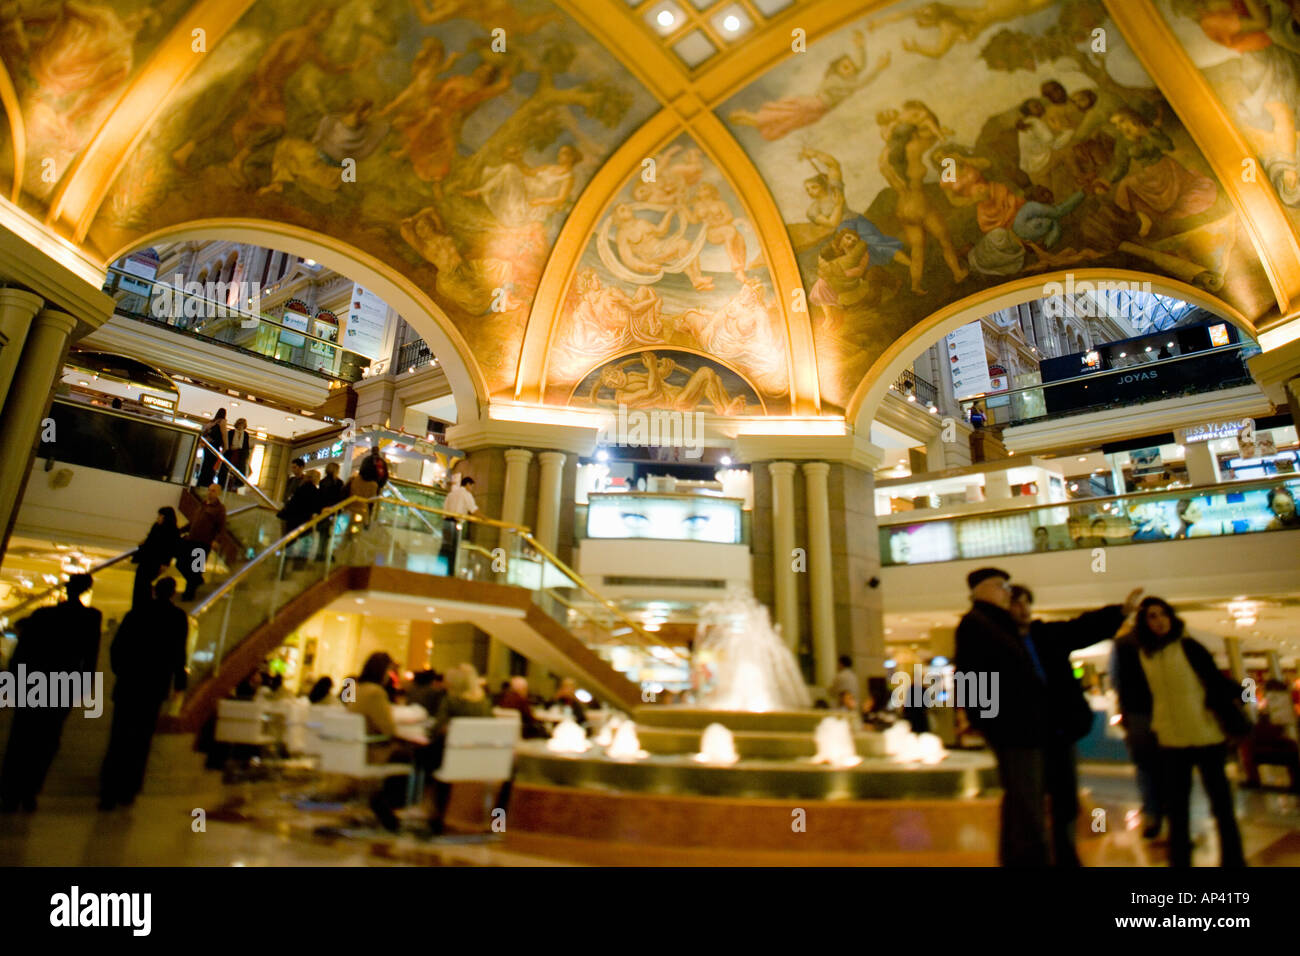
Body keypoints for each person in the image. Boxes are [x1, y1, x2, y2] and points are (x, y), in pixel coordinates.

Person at [1008, 583, 1142, 866]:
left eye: (1026, 603)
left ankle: (1066, 857)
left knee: (1065, 801)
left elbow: (1082, 628)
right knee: (1029, 807)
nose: (1023, 610)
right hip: (1025, 736)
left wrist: (1120, 612)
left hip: (1059, 732)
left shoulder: (1044, 635)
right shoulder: (999, 643)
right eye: (1015, 604)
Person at [1112, 597, 1247, 867]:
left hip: (1205, 734)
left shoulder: (1188, 646)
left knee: (1221, 804)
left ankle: (1234, 860)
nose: (1159, 620)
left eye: (1163, 614)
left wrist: (1244, 697)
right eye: (1152, 616)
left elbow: (1215, 681)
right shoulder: (1145, 654)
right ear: (1144, 622)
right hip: (1171, 738)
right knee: (1177, 807)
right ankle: (1180, 859)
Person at [954, 567, 1050, 866]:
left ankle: (1017, 859)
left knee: (1022, 802)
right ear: (980, 590)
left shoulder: (996, 623)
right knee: (1026, 804)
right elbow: (969, 676)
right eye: (1001, 585)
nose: (1007, 591)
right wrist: (984, 721)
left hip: (1019, 725)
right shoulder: (976, 623)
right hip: (1013, 727)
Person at [0, 574, 102, 812]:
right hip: (63, 685)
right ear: (86, 590)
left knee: (21, 738)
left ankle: (9, 791)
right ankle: (30, 791)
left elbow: (22, 652)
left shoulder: (42, 615)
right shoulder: (89, 618)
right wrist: (83, 688)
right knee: (46, 740)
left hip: (34, 684)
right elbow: (90, 657)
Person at [98, 577, 188, 810]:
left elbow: (117, 646)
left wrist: (122, 670)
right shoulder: (177, 618)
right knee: (141, 739)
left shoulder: (136, 614)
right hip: (154, 685)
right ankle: (129, 789)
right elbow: (179, 653)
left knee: (119, 736)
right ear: (172, 593)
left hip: (130, 682)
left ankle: (109, 790)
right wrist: (179, 680)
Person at [346, 652, 418, 832]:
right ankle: (392, 804)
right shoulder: (376, 693)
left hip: (356, 748)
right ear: (383, 671)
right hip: (373, 750)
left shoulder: (357, 688)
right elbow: (388, 729)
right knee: (415, 756)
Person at [428, 663, 496, 834]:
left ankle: (433, 815)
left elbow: (438, 728)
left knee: (423, 757)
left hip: (452, 762)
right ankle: (496, 825)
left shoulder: (451, 701)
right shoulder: (485, 703)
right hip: (482, 762)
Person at [1110, 626, 1164, 839]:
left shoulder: (1122, 646)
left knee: (1146, 766)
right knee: (1163, 765)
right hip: (1154, 711)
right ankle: (1162, 815)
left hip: (1137, 712)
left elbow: (1116, 681)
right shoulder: (1162, 642)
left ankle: (1153, 815)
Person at [179, 484, 227, 601]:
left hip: (203, 543)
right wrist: (181, 530)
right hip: (191, 540)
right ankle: (197, 581)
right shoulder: (203, 505)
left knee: (195, 568)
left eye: (213, 491)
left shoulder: (220, 509)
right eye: (209, 490)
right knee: (181, 563)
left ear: (218, 493)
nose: (210, 493)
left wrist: (216, 540)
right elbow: (193, 521)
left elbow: (221, 527)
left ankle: (189, 594)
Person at [131, 507, 180, 610]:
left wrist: (165, 563)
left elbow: (170, 549)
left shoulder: (171, 531)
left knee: (143, 584)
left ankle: (141, 606)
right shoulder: (158, 527)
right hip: (148, 559)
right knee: (141, 584)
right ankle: (139, 606)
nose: (158, 518)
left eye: (160, 516)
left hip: (155, 561)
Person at [442, 475, 478, 569]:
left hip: (446, 521)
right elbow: (473, 510)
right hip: (456, 523)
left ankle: (441, 569)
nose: (471, 489)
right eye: (471, 486)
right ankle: (450, 571)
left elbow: (444, 508)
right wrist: (485, 519)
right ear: (467, 484)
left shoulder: (452, 493)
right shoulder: (466, 494)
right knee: (453, 548)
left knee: (445, 546)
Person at [314, 461, 346, 560]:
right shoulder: (338, 483)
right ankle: (327, 553)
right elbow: (340, 498)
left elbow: (320, 498)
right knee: (331, 533)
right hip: (334, 510)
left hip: (323, 511)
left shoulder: (322, 482)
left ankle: (319, 553)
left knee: (323, 533)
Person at [499, 675, 546, 739]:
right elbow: (530, 718)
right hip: (524, 732)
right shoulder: (520, 700)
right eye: (525, 688)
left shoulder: (504, 698)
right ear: (523, 688)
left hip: (506, 732)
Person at [196, 408, 227, 488]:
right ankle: (207, 484)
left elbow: (203, 433)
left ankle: (200, 482)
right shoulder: (222, 422)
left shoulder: (211, 422)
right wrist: (226, 446)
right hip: (214, 447)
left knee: (205, 465)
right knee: (211, 466)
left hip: (207, 446)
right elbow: (224, 435)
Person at [220, 418, 252, 491]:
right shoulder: (231, 432)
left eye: (242, 425)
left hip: (240, 454)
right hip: (231, 453)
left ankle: (235, 484)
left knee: (239, 469)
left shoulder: (246, 434)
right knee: (227, 468)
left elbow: (246, 446)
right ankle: (224, 483)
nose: (241, 426)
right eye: (240, 424)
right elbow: (227, 443)